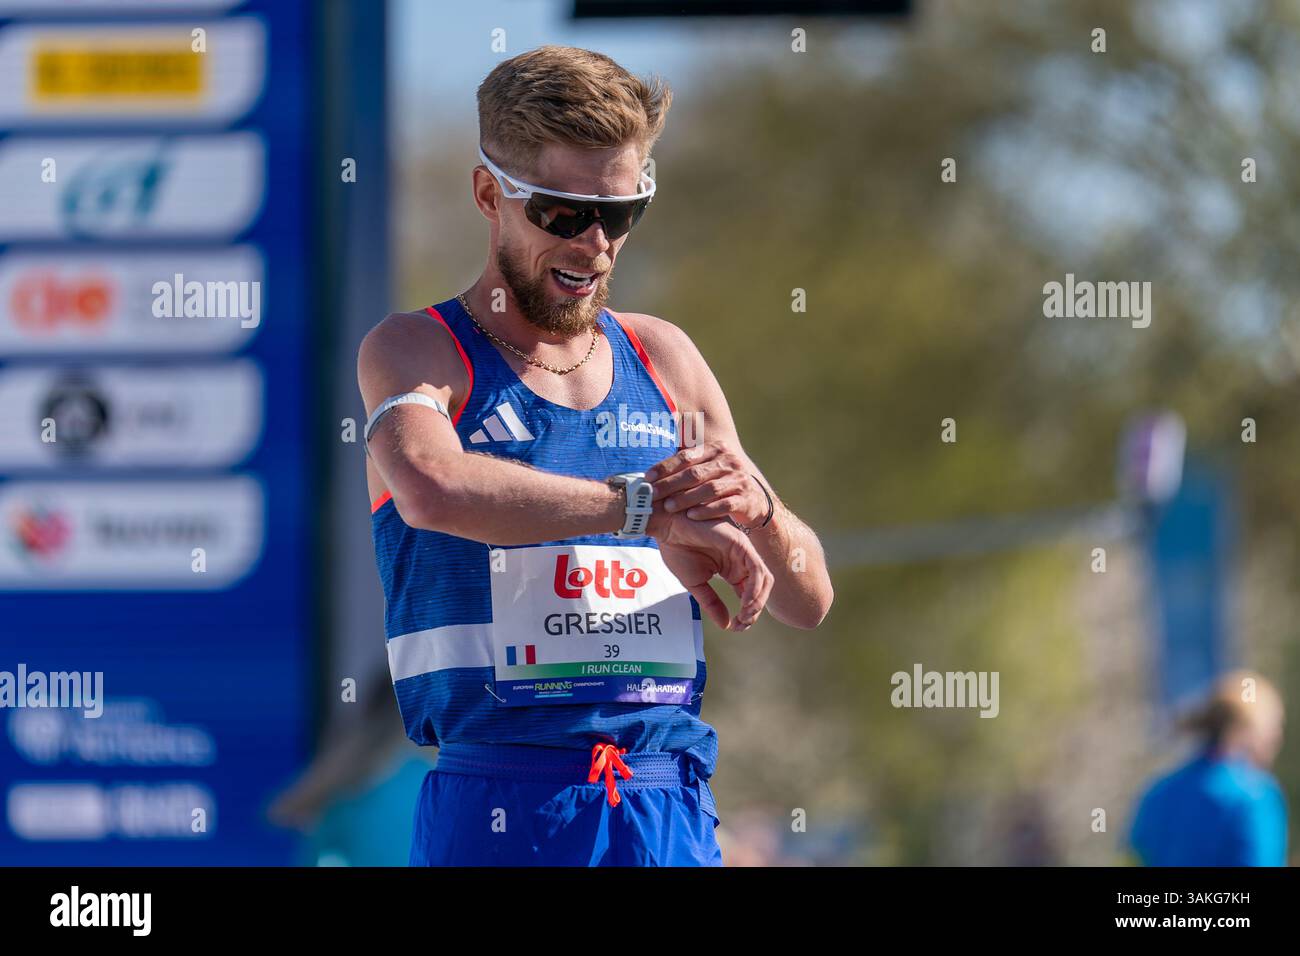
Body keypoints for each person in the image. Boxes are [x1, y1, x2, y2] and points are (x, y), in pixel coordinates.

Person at [357, 46, 834, 866]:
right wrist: (642, 508)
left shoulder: (664, 356)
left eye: (621, 215)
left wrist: (759, 512)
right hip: (501, 802)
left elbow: (808, 598)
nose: (596, 246)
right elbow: (431, 489)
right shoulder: (418, 351)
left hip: (664, 799)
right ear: (488, 195)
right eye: (563, 214)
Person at [1128, 670, 1288, 866]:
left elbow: (1134, 858)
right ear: (1248, 729)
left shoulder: (1159, 791)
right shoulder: (1255, 796)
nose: (1278, 737)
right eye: (1275, 727)